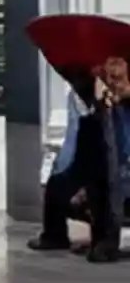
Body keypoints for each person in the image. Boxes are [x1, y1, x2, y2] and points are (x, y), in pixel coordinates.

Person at [29, 57, 130, 262]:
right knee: (61, 187)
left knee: (106, 187)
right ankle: (57, 236)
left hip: (121, 175)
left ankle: (105, 242)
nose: (112, 83)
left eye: (117, 78)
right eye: (107, 77)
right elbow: (79, 148)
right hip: (99, 168)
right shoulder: (94, 105)